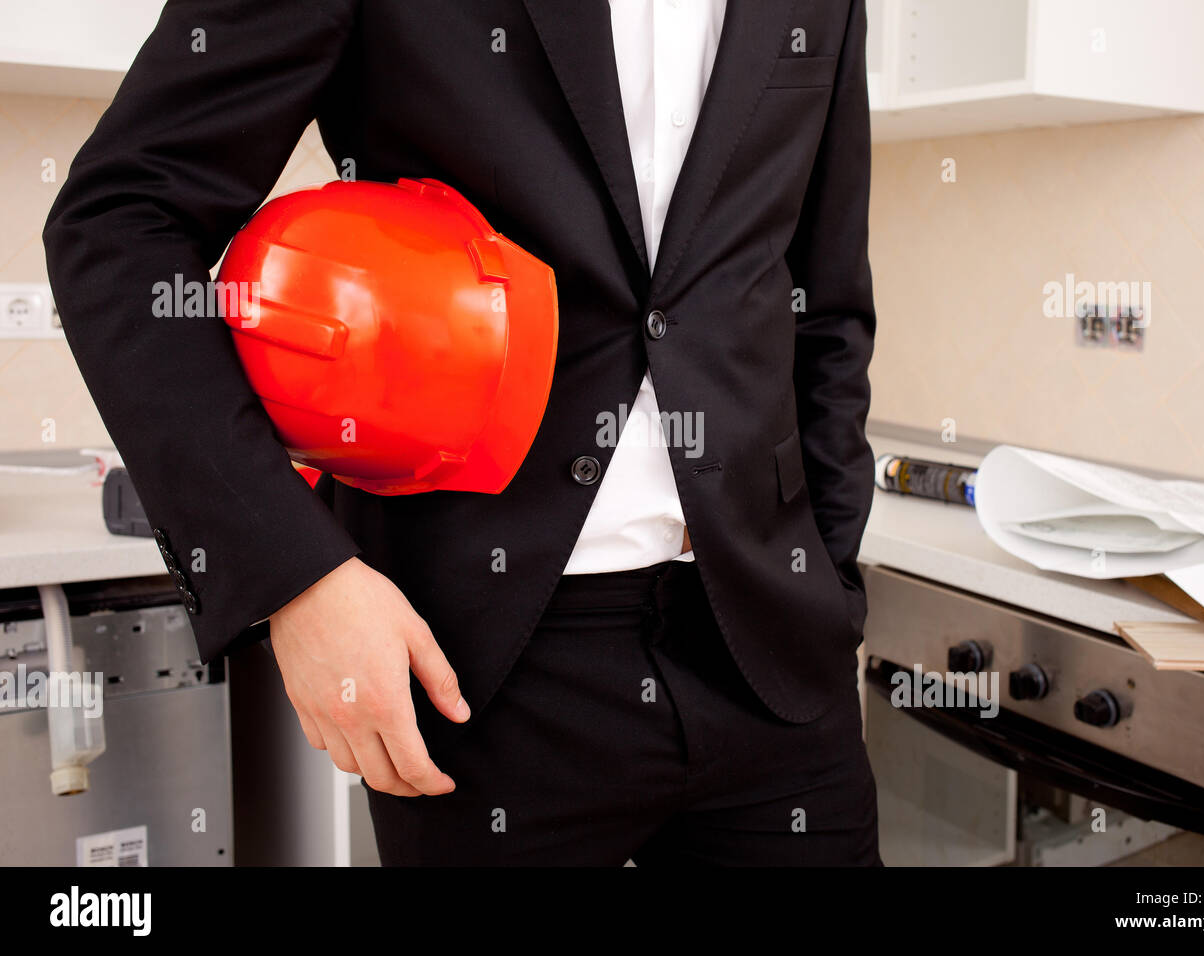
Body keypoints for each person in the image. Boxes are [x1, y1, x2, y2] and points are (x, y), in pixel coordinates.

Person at [44, 0, 880, 866]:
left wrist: (831, 578)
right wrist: (296, 579)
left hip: (771, 650)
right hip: (479, 663)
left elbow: (826, 303)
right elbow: (117, 222)